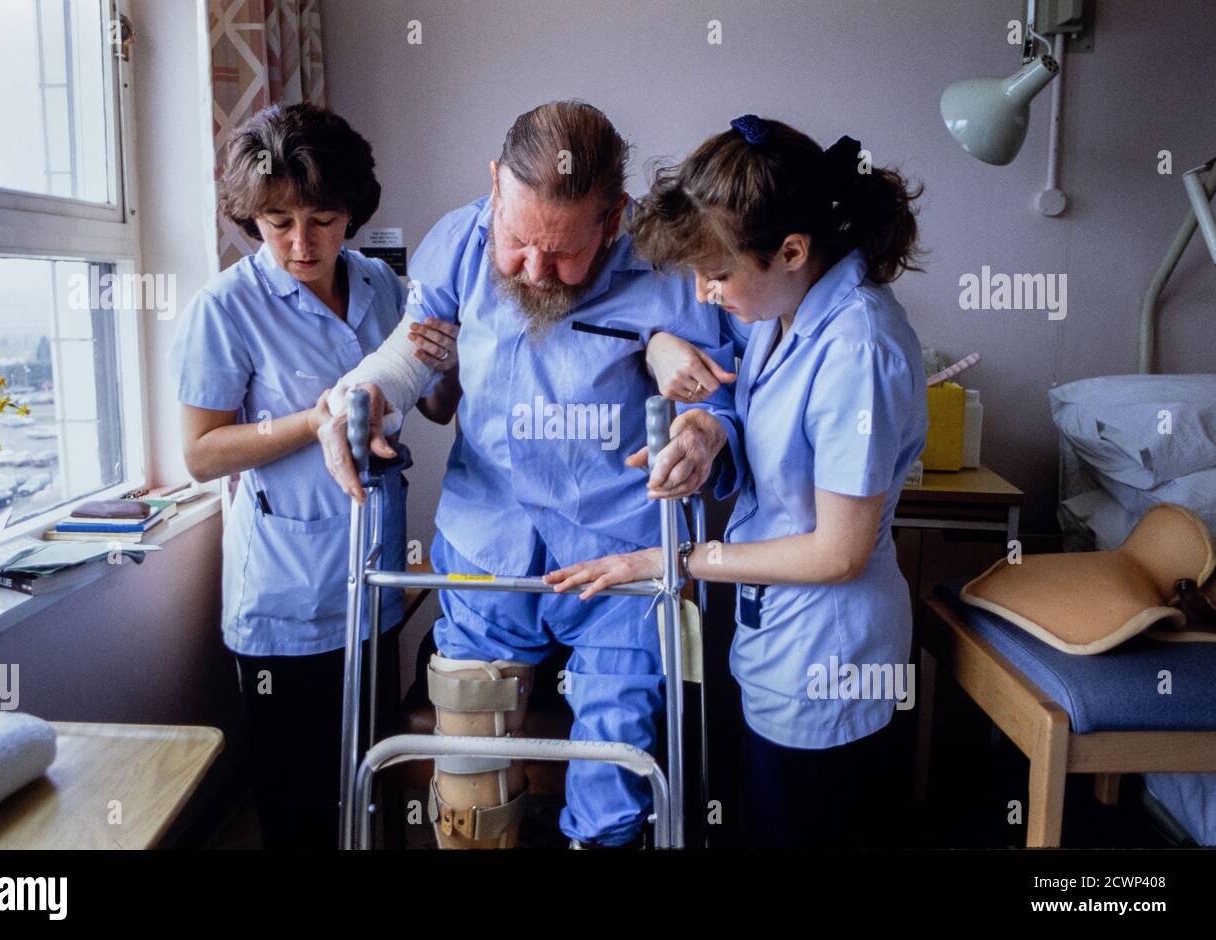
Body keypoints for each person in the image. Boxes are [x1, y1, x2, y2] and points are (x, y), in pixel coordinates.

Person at [313, 100, 743, 849]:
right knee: (470, 777)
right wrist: (367, 393)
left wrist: (703, 432)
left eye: (563, 253)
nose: (536, 271)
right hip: (489, 538)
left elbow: (729, 402)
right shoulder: (459, 239)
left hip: (618, 557)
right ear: (494, 188)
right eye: (518, 242)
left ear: (613, 218)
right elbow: (419, 349)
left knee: (614, 774)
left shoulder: (675, 266)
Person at [545, 115, 929, 848]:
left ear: (792, 250)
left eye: (717, 275)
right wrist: (707, 431)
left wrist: (680, 563)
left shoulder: (859, 348)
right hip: (775, 637)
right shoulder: (782, 313)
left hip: (830, 653)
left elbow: (839, 552)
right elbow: (762, 421)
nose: (704, 292)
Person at [170, 103, 458, 848]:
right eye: (278, 222)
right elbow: (201, 453)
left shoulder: (385, 289)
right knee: (301, 807)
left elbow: (432, 405)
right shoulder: (226, 309)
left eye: (323, 219)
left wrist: (450, 364)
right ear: (251, 218)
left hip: (375, 584)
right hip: (285, 600)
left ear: (351, 212)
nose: (302, 243)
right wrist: (318, 419)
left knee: (371, 782)